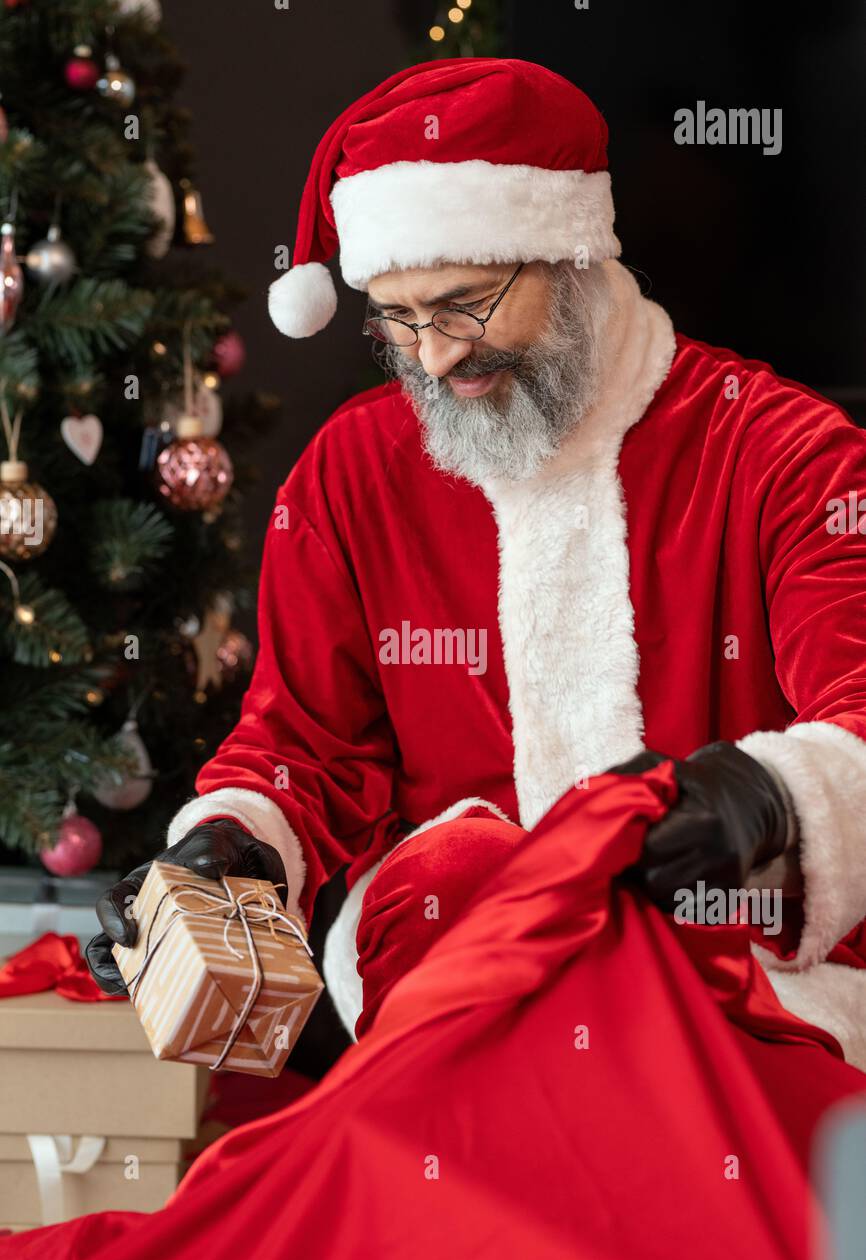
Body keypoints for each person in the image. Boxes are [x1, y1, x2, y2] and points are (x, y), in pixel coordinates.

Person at [88, 56, 866, 1061]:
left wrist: (768, 799)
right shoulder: (353, 471)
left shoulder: (781, 452)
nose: (436, 356)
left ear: (570, 256)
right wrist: (236, 845)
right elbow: (308, 746)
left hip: (739, 1002)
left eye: (464, 303)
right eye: (399, 319)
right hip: (448, 1003)